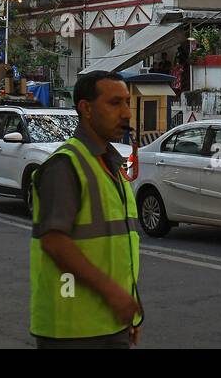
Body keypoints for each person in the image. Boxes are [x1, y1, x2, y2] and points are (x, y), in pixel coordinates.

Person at [30, 70, 143, 349]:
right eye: (115, 103)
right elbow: (54, 242)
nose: (127, 113)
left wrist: (128, 310)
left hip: (110, 324)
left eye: (127, 102)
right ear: (86, 109)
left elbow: (116, 250)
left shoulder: (110, 164)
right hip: (72, 330)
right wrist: (115, 295)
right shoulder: (65, 166)